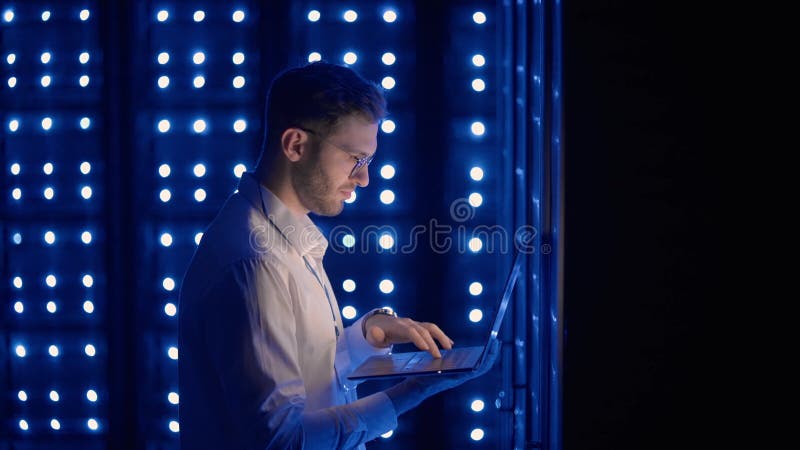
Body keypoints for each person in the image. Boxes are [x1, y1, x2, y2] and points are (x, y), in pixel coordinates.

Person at [178, 62, 500, 449]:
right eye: (354, 159)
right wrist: (411, 392)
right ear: (296, 145)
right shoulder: (255, 262)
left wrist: (365, 337)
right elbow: (283, 439)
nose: (364, 179)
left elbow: (304, 374)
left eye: (368, 162)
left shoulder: (282, 238)